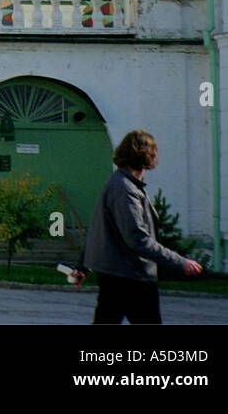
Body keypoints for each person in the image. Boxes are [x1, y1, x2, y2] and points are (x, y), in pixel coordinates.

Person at [76, 129, 203, 324]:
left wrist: (82, 266)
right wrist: (180, 262)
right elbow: (137, 239)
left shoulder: (119, 183)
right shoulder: (125, 189)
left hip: (116, 275)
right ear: (147, 155)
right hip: (130, 277)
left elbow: (98, 229)